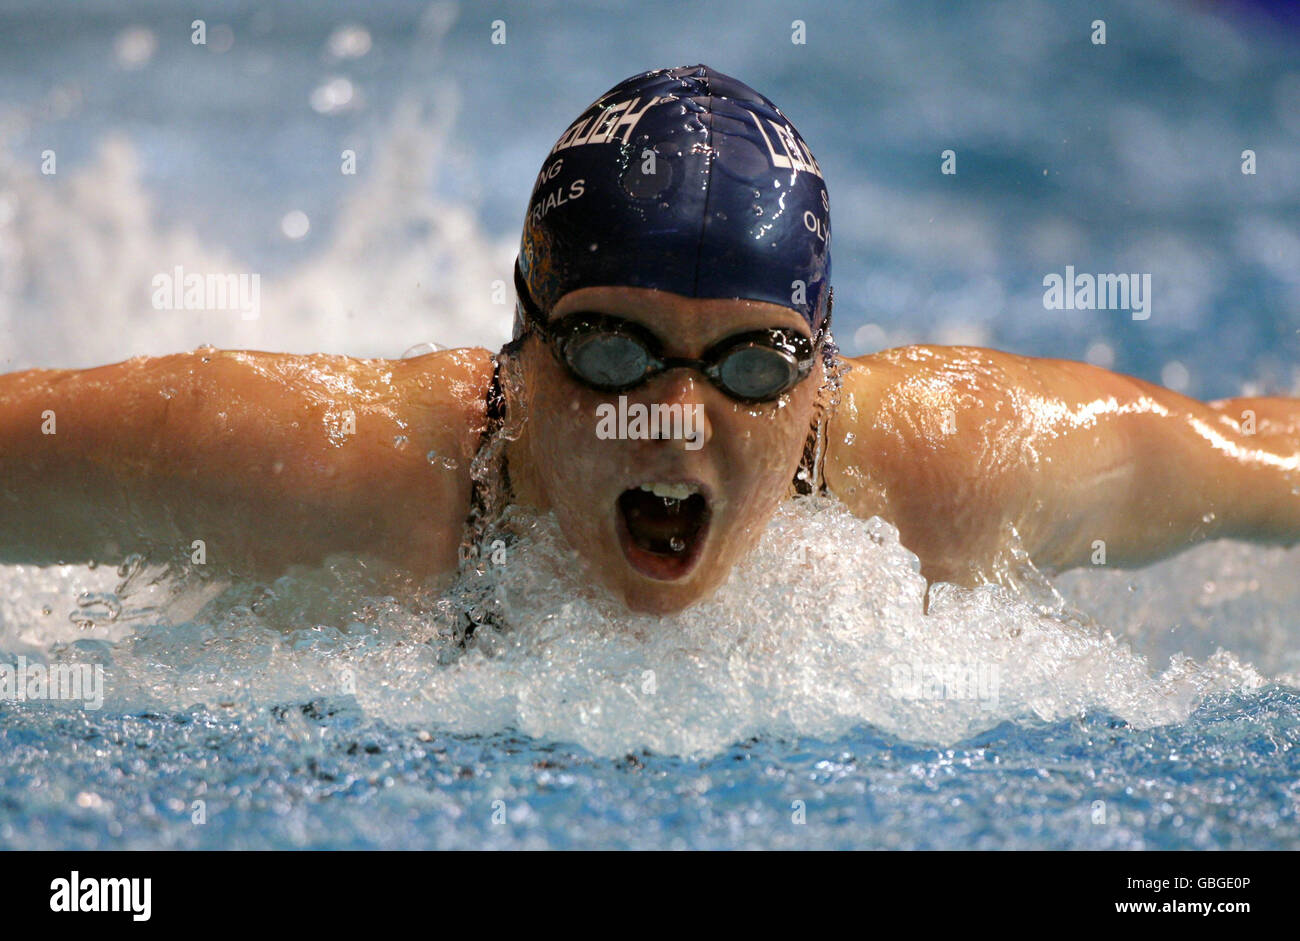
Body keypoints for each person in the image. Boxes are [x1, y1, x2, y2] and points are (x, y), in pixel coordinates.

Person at [2, 65, 1298, 615]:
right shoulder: (334, 470)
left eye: (747, 363)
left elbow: (1256, 452)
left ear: (819, 378)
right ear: (518, 351)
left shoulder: (951, 471)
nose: (678, 417)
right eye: (616, 350)